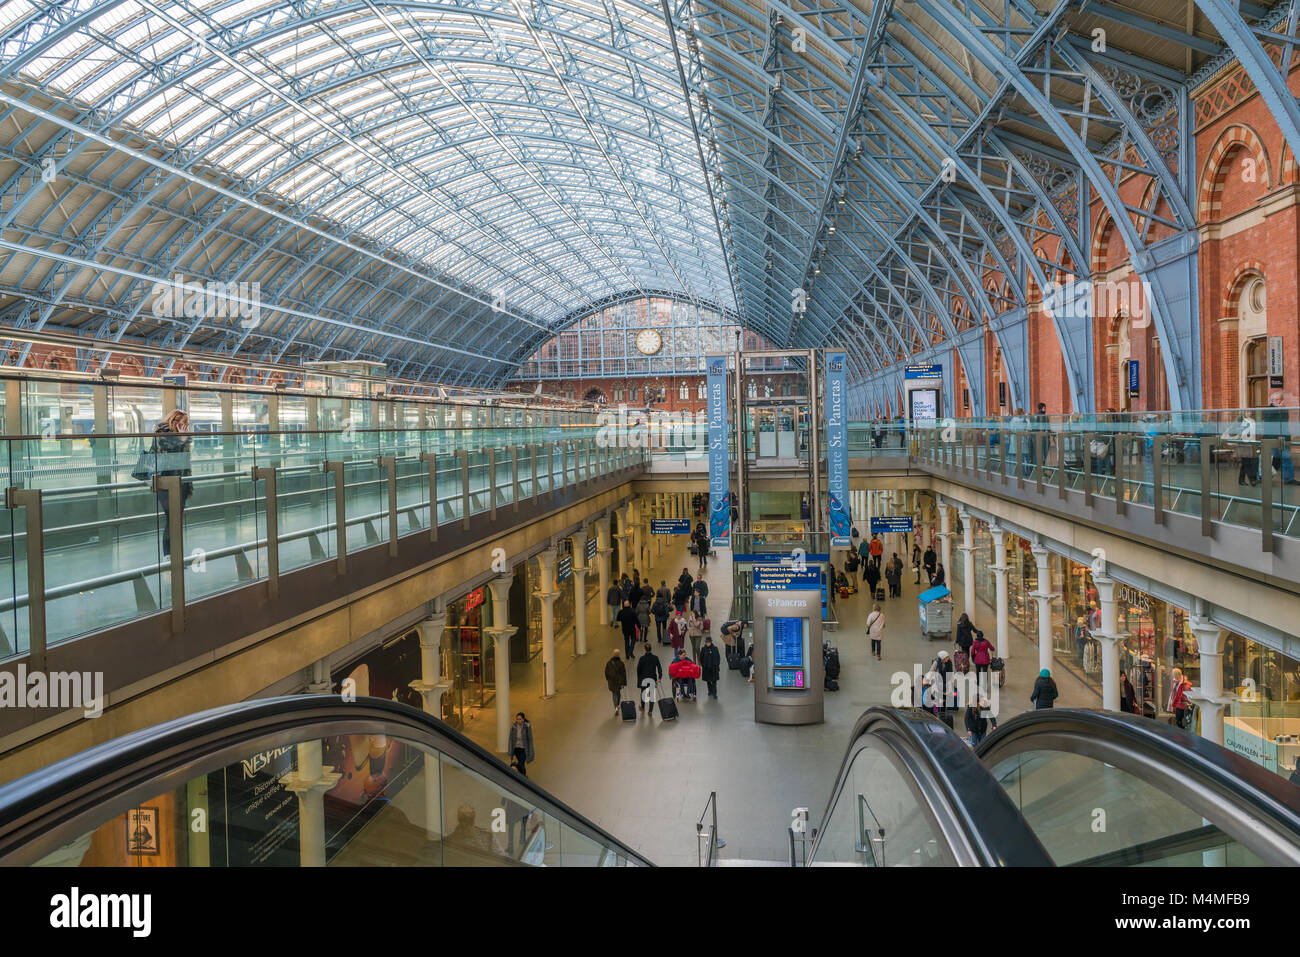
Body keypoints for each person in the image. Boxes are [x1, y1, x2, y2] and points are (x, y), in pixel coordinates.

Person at [147, 409, 194, 557]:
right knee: (171, 518)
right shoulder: (161, 434)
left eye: (187, 422)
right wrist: (181, 439)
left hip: (182, 482)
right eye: (183, 422)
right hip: (165, 483)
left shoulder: (184, 437)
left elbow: (186, 462)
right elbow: (166, 451)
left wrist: (189, 485)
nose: (186, 425)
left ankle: (175, 553)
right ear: (173, 421)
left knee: (177, 519)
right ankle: (168, 554)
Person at [636, 642, 662, 715]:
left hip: (644, 678)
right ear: (651, 649)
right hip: (652, 678)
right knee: (652, 695)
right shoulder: (655, 658)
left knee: (643, 693)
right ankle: (650, 711)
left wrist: (639, 679)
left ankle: (643, 707)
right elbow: (659, 668)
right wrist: (660, 677)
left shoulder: (642, 658)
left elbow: (638, 669)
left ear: (645, 649)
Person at [605, 648, 628, 715]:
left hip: (612, 682)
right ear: (618, 655)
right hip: (619, 682)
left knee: (614, 694)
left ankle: (616, 707)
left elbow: (606, 672)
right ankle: (618, 704)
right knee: (618, 693)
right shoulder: (621, 663)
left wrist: (608, 679)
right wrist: (624, 683)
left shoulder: (609, 663)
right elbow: (623, 673)